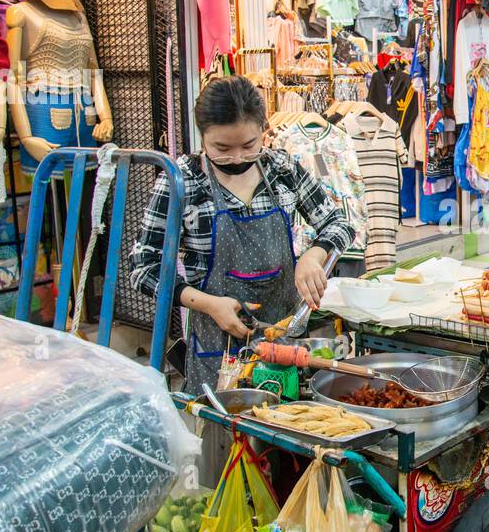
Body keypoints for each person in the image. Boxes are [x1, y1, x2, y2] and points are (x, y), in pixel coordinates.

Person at [130, 76, 353, 480]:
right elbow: (143, 267)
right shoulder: (182, 182)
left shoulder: (281, 168)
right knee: (225, 468)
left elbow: (339, 222)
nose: (237, 158)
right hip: (217, 356)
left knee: (288, 462)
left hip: (282, 349)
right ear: (202, 138)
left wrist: (314, 255)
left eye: (249, 145)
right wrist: (206, 303)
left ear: (264, 131)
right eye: (222, 148)